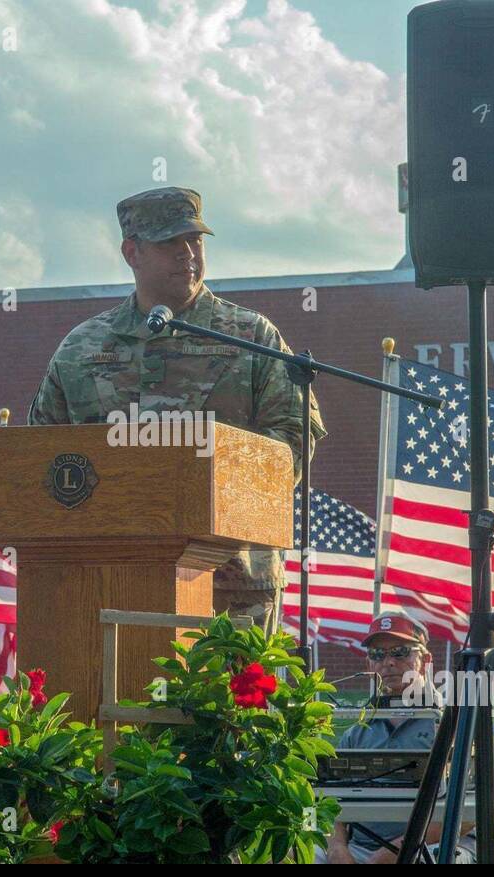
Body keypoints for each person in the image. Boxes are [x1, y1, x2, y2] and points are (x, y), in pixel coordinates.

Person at [27, 187, 325, 630]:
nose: (187, 253)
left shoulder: (250, 336)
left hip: (231, 583)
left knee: (222, 701)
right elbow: (37, 455)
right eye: (170, 242)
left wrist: (202, 480)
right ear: (132, 252)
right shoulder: (82, 348)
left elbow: (291, 447)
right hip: (105, 575)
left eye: (196, 240)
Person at [321, 610, 476, 864]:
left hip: (435, 846)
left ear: (425, 661)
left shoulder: (454, 724)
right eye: (377, 654)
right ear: (369, 665)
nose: (388, 662)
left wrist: (392, 853)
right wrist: (336, 847)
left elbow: (469, 815)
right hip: (357, 848)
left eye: (400, 651)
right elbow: (327, 802)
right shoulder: (356, 733)